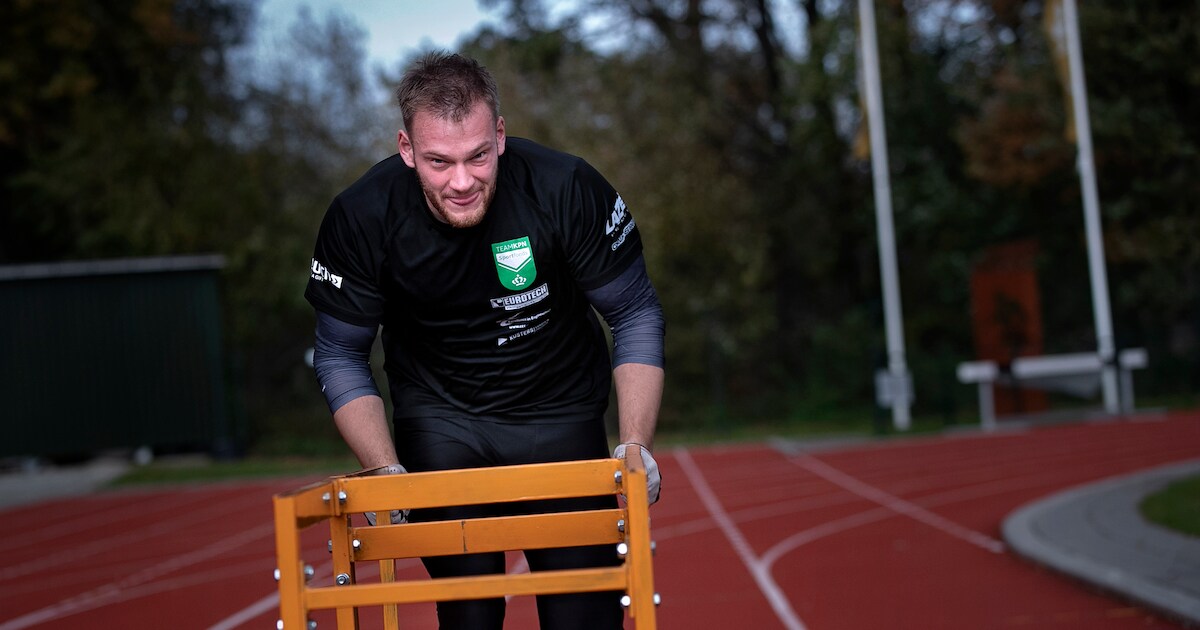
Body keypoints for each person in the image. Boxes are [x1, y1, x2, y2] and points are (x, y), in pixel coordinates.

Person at [304, 51, 665, 630]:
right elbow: (340, 351)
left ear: (499, 135)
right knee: (469, 613)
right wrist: (381, 468)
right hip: (441, 419)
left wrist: (635, 442)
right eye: (439, 162)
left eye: (477, 156)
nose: (462, 181)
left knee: (585, 613)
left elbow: (634, 310)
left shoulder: (565, 185)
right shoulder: (361, 216)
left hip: (559, 408)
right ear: (406, 150)